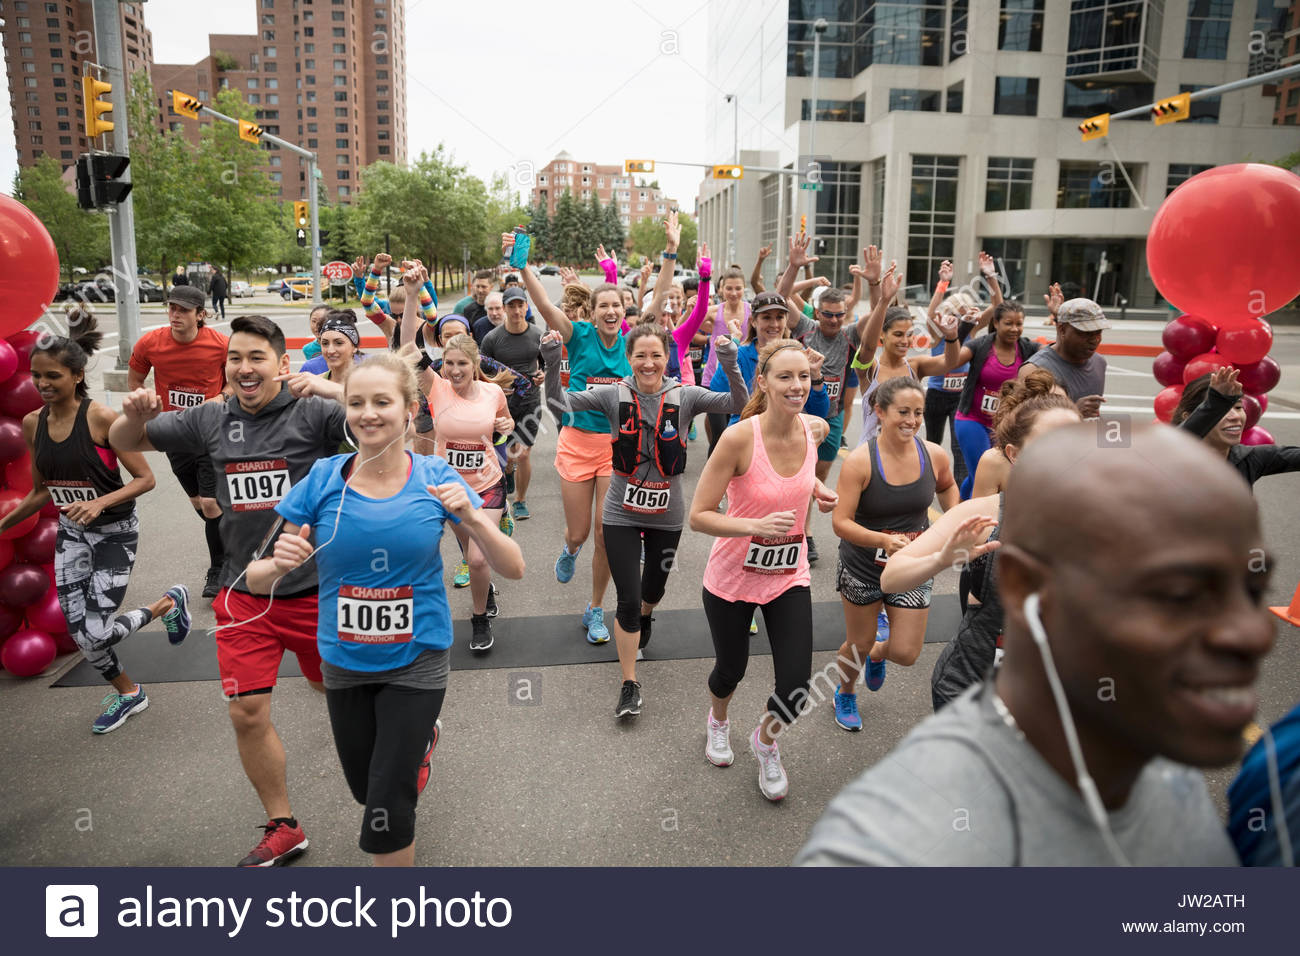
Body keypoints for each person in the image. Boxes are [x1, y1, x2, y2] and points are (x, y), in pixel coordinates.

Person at [797, 423, 1274, 865]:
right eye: (1179, 594)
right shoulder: (883, 846)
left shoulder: (1176, 781)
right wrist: (945, 556)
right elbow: (897, 568)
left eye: (1250, 590)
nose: (1251, 633)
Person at [245, 352, 524, 867]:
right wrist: (279, 564)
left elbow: (514, 567)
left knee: (387, 807)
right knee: (364, 787)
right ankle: (420, 747)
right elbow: (257, 576)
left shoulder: (435, 476)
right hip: (344, 662)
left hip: (417, 660)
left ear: (409, 409)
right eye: (356, 403)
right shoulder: (324, 479)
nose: (368, 413)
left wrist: (477, 521)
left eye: (381, 402)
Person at [110, 314, 347, 868]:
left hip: (315, 589)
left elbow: (393, 421)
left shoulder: (315, 411)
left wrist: (339, 386)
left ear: (282, 365)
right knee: (247, 712)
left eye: (257, 358)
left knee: (333, 691)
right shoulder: (209, 418)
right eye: (235, 358)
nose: (244, 367)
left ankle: (405, 727)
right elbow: (124, 440)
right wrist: (131, 416)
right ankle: (283, 824)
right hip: (243, 594)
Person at [543, 322, 747, 718]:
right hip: (620, 511)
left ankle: (648, 615)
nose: (649, 363)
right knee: (628, 599)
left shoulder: (685, 396)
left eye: (656, 355)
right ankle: (629, 684)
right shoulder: (611, 394)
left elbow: (738, 402)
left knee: (652, 590)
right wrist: (553, 361)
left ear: (667, 357)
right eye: (641, 355)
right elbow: (557, 405)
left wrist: (729, 361)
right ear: (629, 357)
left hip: (666, 517)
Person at [0, 314, 190, 733]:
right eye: (36, 376)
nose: (43, 384)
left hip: (114, 536)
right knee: (82, 632)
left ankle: (165, 606)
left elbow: (145, 478)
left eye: (53, 376)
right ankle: (129, 691)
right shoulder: (34, 424)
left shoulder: (100, 418)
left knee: (92, 633)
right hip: (72, 537)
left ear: (77, 375)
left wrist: (100, 501)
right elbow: (40, 490)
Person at [689, 340, 838, 801]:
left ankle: (765, 740)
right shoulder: (738, 438)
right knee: (730, 670)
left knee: (795, 687)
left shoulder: (813, 429)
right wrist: (752, 524)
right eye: (785, 378)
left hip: (788, 575)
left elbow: (791, 474)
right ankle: (718, 721)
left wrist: (814, 489)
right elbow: (699, 514)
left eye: (804, 378)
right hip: (733, 577)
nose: (797, 387)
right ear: (764, 383)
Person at [881, 376, 1079, 711]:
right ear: (1015, 454)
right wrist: (943, 559)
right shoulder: (987, 514)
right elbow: (892, 577)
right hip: (971, 694)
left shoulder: (1103, 518)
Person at [506, 230, 631, 645]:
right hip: (577, 444)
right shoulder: (578, 337)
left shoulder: (633, 345)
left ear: (624, 310)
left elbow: (662, 295)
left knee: (605, 534)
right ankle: (569, 550)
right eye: (604, 306)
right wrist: (522, 264)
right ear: (592, 314)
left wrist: (670, 254)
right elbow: (543, 303)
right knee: (579, 534)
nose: (611, 311)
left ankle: (595, 608)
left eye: (617, 305)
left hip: (615, 449)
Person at [830, 377, 958, 728]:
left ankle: (878, 654)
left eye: (918, 413)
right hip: (863, 566)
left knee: (905, 653)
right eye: (903, 412)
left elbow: (946, 486)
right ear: (879, 412)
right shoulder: (860, 462)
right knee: (858, 642)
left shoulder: (933, 454)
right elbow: (840, 523)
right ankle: (845, 692)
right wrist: (883, 540)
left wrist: (955, 519)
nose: (912, 420)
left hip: (913, 566)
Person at [127, 285, 231, 598]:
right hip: (172, 431)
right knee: (200, 504)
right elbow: (135, 379)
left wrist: (220, 396)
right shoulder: (150, 343)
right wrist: (142, 399)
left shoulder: (220, 344)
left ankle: (218, 569)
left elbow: (237, 381)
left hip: (210, 431)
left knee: (211, 504)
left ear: (201, 315)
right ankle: (233, 536)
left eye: (183, 310)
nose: (175, 315)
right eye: (172, 308)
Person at [424, 332, 515, 651]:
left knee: (477, 559)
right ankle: (485, 590)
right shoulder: (436, 387)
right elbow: (409, 346)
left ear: (475, 364)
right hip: (449, 488)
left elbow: (507, 425)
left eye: (462, 363)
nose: (454, 370)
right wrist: (411, 297)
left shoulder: (492, 393)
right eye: (449, 363)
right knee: (468, 551)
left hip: (487, 484)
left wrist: (506, 429)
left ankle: (479, 619)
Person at [850, 261, 962, 449]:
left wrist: (952, 337)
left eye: (909, 335)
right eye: (898, 334)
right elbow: (867, 346)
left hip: (908, 450)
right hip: (872, 453)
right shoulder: (870, 369)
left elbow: (950, 362)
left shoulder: (915, 366)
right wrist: (883, 301)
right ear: (882, 335)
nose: (905, 341)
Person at [951, 301, 1039, 500]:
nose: (1015, 329)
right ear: (996, 323)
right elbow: (952, 361)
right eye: (1009, 323)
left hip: (1005, 425)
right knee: (984, 475)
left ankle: (956, 509)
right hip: (972, 420)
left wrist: (1058, 316)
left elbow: (1056, 352)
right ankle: (981, 521)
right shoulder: (980, 346)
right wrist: (960, 330)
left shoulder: (1027, 348)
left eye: (1019, 324)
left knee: (978, 477)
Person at [481, 284, 545, 522]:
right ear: (505, 309)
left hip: (529, 402)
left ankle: (520, 501)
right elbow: (482, 371)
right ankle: (508, 473)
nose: (517, 311)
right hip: (501, 404)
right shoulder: (492, 338)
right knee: (506, 452)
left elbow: (546, 362)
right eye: (512, 306)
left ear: (526, 307)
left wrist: (543, 374)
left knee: (524, 453)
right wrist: (497, 385)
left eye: (520, 305)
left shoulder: (537, 335)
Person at [1172, 369, 1300, 487]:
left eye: (1238, 407)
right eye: (1221, 410)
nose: (1235, 417)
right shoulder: (1169, 458)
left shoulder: (1248, 459)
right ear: (1188, 417)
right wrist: (1216, 402)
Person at [1019, 297, 1108, 420]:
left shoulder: (1099, 363)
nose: (1094, 340)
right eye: (1086, 333)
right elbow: (1020, 424)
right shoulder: (1034, 369)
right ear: (1062, 329)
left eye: (1098, 332)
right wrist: (1073, 412)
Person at [300, 303, 334, 374]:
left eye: (322, 321)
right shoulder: (307, 349)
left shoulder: (342, 346)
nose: (317, 326)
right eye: (314, 321)